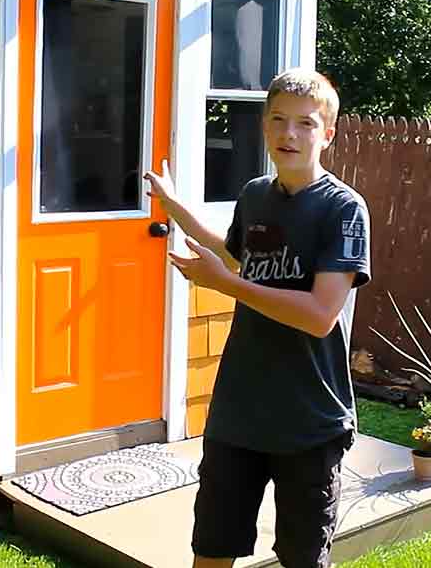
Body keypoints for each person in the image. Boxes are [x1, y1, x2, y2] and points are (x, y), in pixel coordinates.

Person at [143, 68, 372, 568]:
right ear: (265, 127)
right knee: (212, 550)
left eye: (306, 124)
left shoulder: (343, 210)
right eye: (279, 121)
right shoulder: (255, 195)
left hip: (309, 423)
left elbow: (319, 316)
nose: (290, 134)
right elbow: (237, 258)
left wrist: (224, 286)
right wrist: (176, 205)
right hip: (238, 415)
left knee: (301, 559)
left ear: (327, 133)